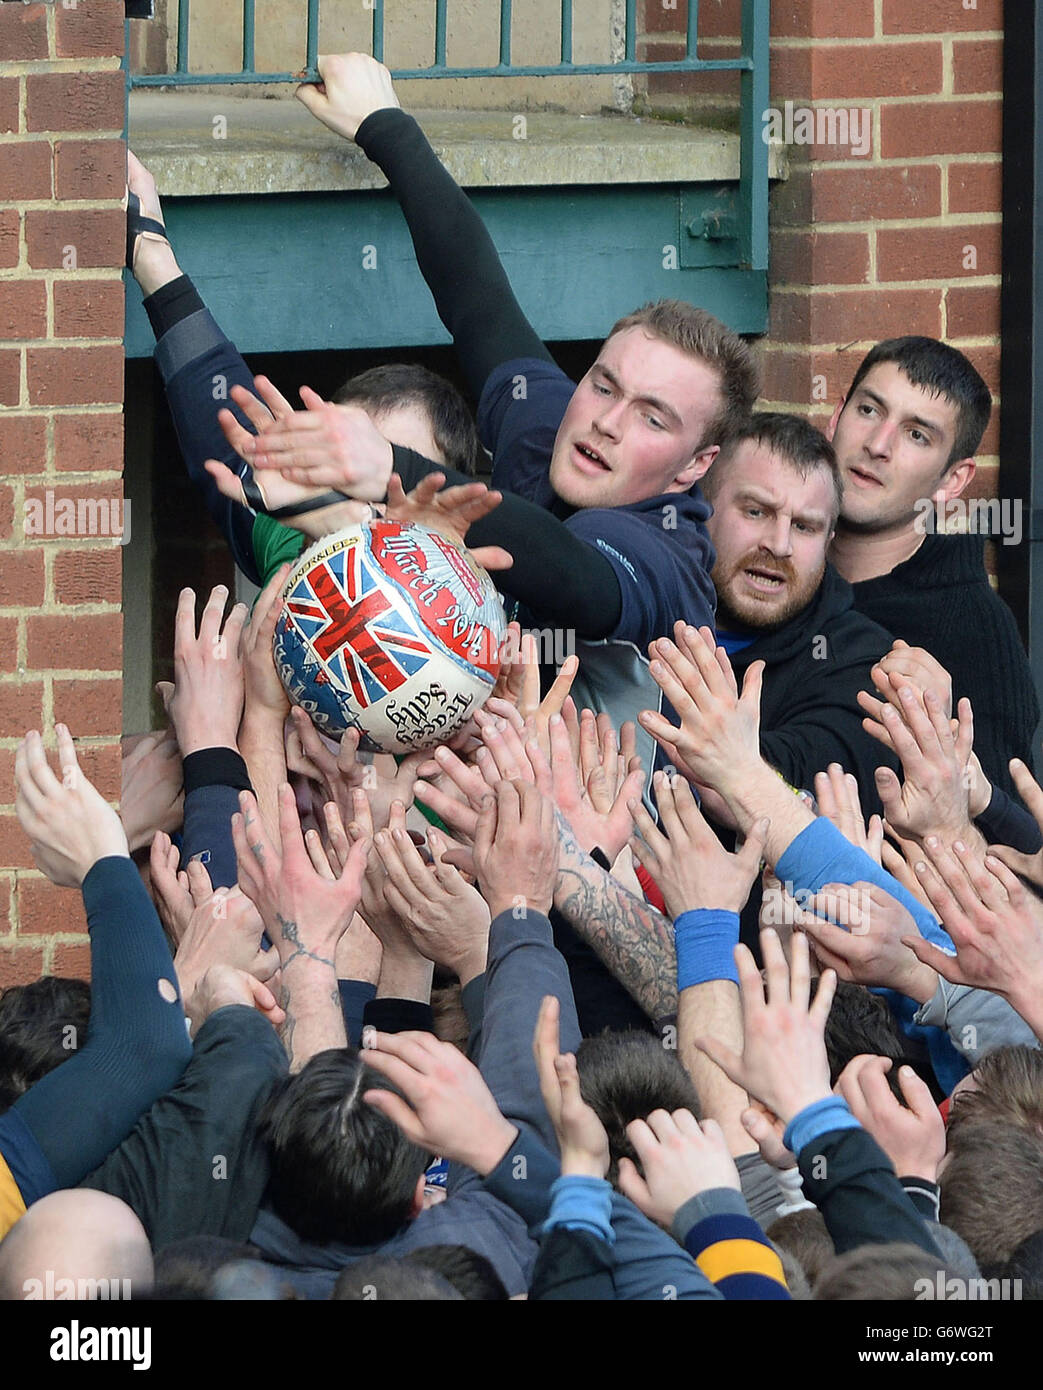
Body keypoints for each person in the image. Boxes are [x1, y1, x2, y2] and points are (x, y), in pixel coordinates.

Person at [197, 52, 760, 804]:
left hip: (584, 881)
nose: (607, 422)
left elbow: (575, 574)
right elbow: (478, 300)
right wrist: (384, 127)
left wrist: (386, 470)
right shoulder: (560, 431)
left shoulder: (666, 549)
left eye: (653, 418)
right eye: (604, 384)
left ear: (695, 466)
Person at [825, 336, 1039, 797]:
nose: (878, 445)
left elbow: (1010, 843)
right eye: (868, 411)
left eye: (917, 434)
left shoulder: (974, 627)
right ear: (835, 417)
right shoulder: (778, 564)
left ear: (953, 480)